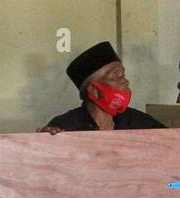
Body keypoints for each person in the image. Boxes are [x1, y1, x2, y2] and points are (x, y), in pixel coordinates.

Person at [39, 40, 167, 133]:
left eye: (123, 75)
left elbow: (174, 144)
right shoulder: (66, 125)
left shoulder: (139, 122)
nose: (126, 81)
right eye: (116, 76)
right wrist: (45, 141)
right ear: (93, 90)